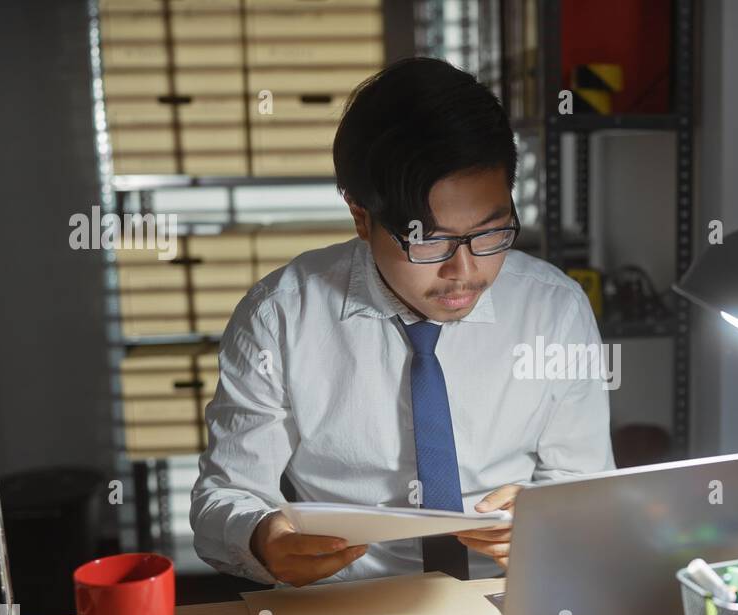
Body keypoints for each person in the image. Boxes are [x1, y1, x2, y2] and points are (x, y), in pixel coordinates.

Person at [190, 57, 614, 587]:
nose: (465, 271)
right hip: (348, 602)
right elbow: (224, 497)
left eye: (491, 232)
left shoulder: (554, 308)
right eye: (429, 240)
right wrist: (260, 536)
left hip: (509, 595)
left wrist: (553, 516)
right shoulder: (280, 315)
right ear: (361, 216)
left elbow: (588, 488)